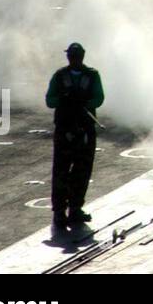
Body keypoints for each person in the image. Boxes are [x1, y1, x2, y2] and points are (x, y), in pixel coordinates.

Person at [44, 42, 105, 232]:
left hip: (85, 129)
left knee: (82, 170)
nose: (73, 59)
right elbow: (50, 100)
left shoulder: (92, 76)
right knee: (61, 171)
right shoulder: (60, 76)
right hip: (64, 129)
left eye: (75, 56)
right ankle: (59, 211)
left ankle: (75, 208)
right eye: (71, 56)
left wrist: (84, 103)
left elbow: (99, 98)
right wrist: (64, 99)